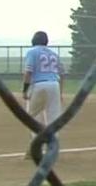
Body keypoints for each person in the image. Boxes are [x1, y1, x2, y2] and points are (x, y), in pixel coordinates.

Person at [22, 30, 65, 160]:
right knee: (53, 118)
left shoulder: (32, 52)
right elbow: (62, 74)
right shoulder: (53, 54)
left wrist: (25, 89)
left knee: (33, 118)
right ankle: (52, 148)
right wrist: (60, 92)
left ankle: (35, 148)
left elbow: (28, 72)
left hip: (39, 85)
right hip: (54, 85)